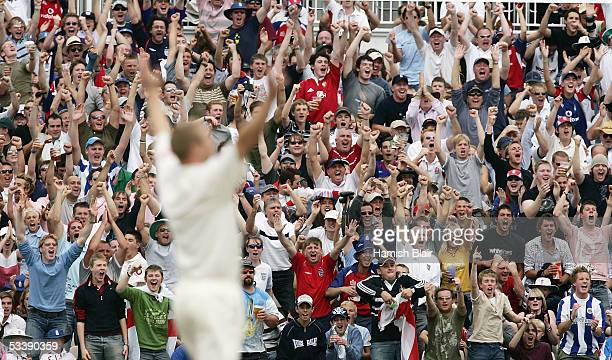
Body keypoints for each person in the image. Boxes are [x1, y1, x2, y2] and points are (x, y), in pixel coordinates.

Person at [470, 247, 525, 360]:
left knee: (512, 326)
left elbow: (511, 315)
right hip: (480, 345)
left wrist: (522, 319)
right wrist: (474, 264)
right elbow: (473, 284)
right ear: (481, 285)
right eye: (486, 281)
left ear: (496, 284)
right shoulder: (478, 296)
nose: (490, 284)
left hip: (497, 346)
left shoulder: (502, 297)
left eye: (492, 281)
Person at [74, 252, 128, 360]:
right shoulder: (81, 291)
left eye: (104, 265)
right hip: (91, 340)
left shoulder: (115, 288)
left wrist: (126, 343)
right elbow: (80, 321)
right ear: (91, 268)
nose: (102, 268)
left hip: (115, 339)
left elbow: (122, 316)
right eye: (99, 265)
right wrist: (83, 348)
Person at [116, 264, 172, 360]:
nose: (153, 278)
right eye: (150, 276)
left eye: (157, 276)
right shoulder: (138, 294)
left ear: (162, 280)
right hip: (143, 351)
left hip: (162, 350)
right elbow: (120, 290)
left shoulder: (168, 298)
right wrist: (129, 273)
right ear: (145, 280)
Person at [556, 266, 605, 359]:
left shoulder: (597, 304)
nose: (585, 281)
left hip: (590, 354)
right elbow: (559, 330)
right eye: (581, 279)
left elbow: (600, 333)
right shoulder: (565, 302)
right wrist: (571, 318)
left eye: (587, 279)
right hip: (568, 353)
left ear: (590, 283)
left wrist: (594, 328)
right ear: (574, 283)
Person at [240, 258, 281, 359]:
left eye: (251, 272)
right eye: (244, 272)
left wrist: (266, 317)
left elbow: (275, 320)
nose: (248, 274)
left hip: (257, 350)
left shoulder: (263, 296)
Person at [423, 279, 466, 360]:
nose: (444, 301)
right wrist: (428, 295)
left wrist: (459, 290)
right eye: (441, 298)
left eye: (447, 298)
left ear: (453, 300)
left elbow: (462, 306)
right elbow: (431, 308)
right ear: (436, 301)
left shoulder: (458, 315)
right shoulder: (434, 314)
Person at [277, 294, 326, 360]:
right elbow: (282, 354)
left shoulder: (319, 328)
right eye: (302, 307)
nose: (305, 310)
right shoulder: (288, 329)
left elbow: (322, 352)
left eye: (308, 307)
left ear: (312, 309)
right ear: (297, 309)